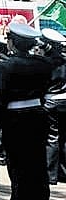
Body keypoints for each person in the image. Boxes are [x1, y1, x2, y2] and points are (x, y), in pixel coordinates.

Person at [0, 22, 54, 200]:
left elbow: (0, 98)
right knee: (38, 170)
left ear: (11, 43)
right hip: (37, 116)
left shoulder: (5, 66)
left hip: (15, 119)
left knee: (18, 171)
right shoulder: (43, 64)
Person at [41, 29, 66, 185]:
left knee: (51, 137)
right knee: (64, 137)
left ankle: (50, 175)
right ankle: (63, 172)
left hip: (50, 101)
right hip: (65, 100)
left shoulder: (46, 63)